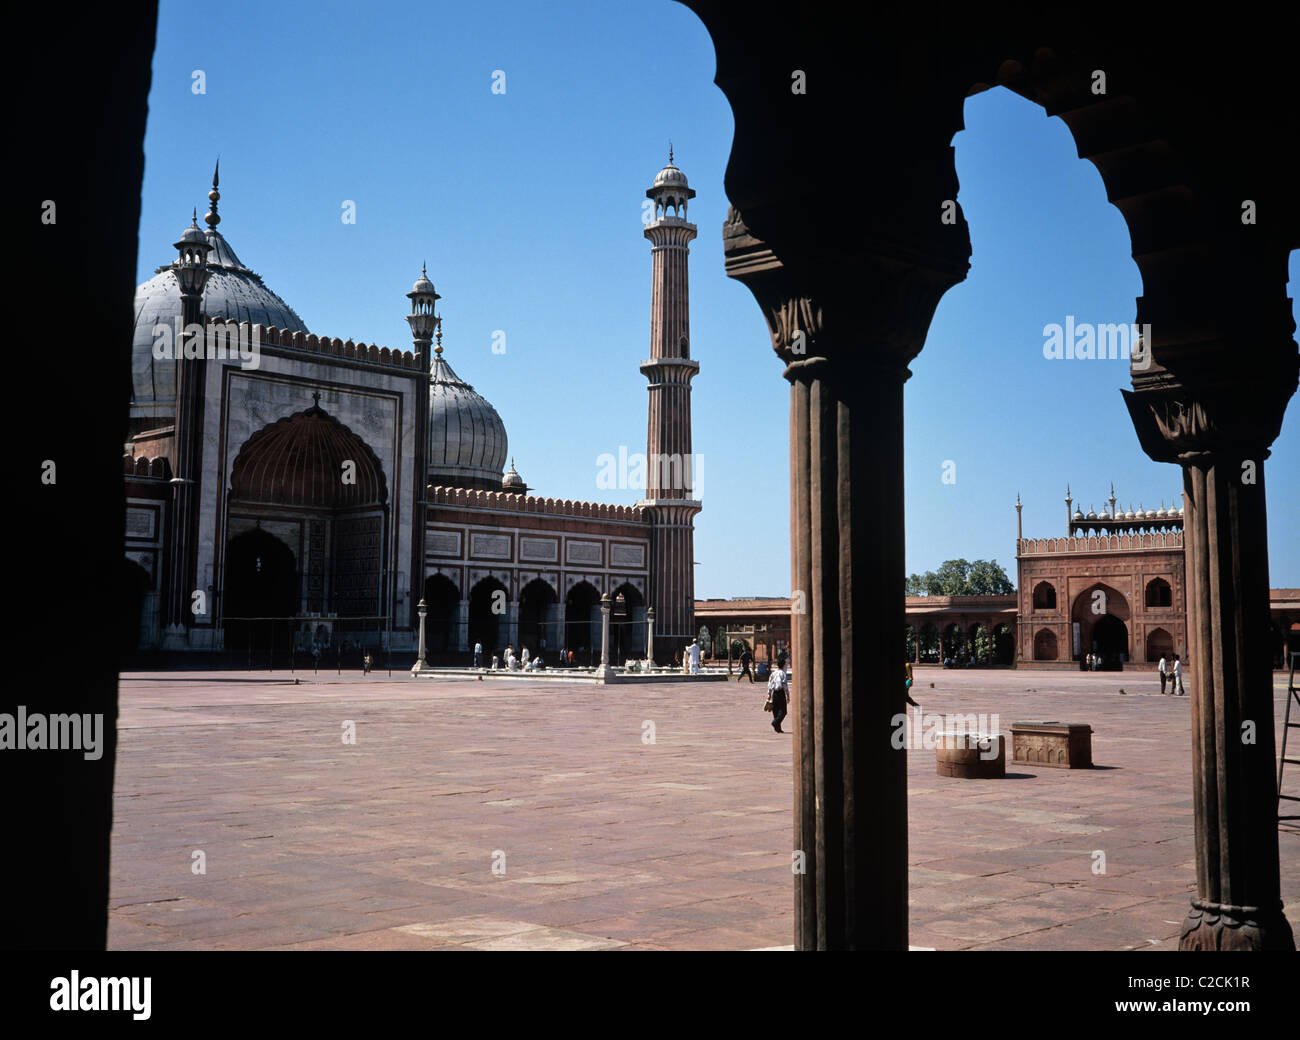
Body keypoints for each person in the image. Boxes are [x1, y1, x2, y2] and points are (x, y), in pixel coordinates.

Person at [768, 656, 789, 733]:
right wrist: (788, 696)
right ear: (783, 665)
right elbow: (785, 686)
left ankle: (778, 728)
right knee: (783, 711)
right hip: (780, 693)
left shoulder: (773, 673)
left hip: (774, 693)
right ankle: (775, 722)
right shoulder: (783, 674)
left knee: (776, 711)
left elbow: (770, 684)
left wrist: (769, 694)